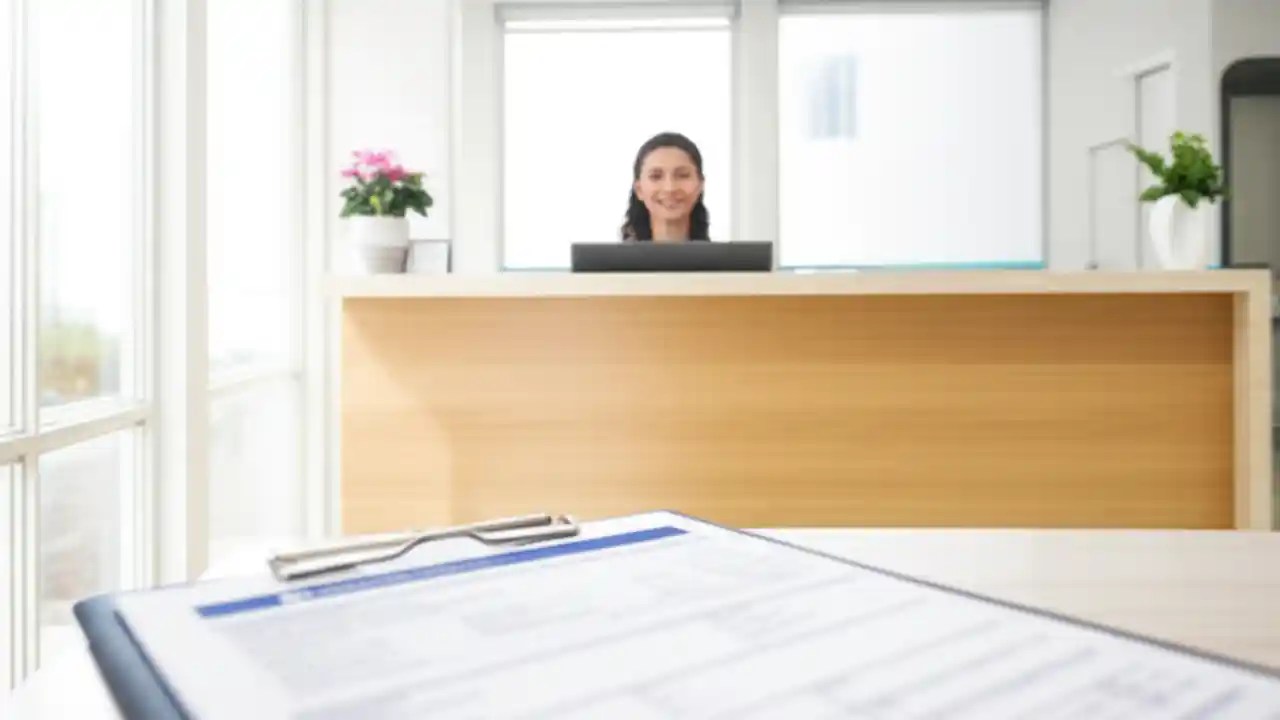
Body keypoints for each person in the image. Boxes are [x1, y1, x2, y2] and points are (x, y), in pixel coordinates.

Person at [620, 132, 711, 242]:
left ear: (700, 185)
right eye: (656, 176)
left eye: (682, 175)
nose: (670, 188)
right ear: (639, 189)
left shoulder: (725, 259)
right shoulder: (613, 259)